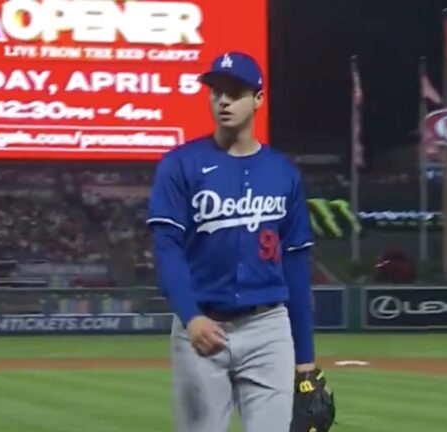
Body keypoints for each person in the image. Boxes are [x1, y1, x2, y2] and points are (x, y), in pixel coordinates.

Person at [147, 52, 335, 432]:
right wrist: (190, 315)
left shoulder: (283, 173)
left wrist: (306, 362)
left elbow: (296, 268)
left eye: (235, 91)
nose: (223, 100)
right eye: (216, 91)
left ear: (259, 99)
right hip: (201, 327)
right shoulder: (180, 164)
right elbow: (167, 248)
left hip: (268, 328)